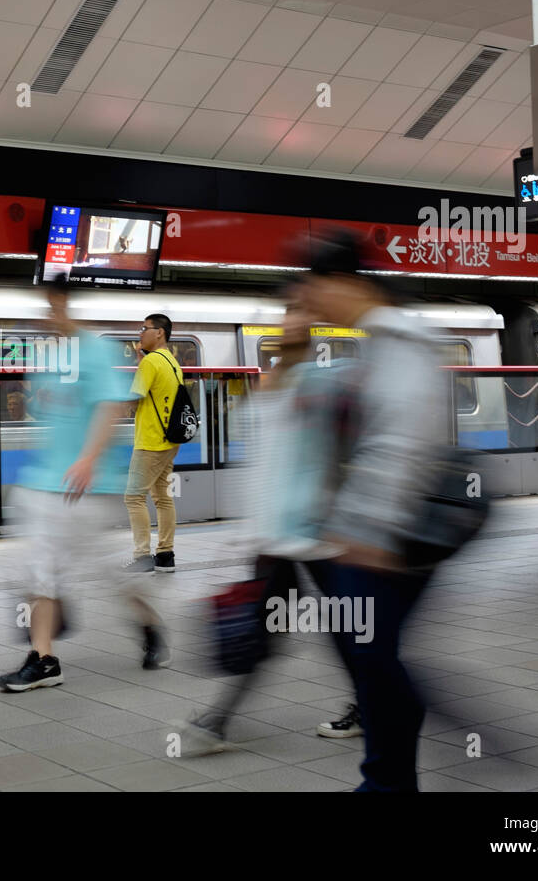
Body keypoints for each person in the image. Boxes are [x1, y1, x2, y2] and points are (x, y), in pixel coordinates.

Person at [300, 233, 446, 792]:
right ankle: (390, 772)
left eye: (316, 290)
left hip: (387, 535)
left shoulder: (398, 344)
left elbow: (400, 443)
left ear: (345, 283)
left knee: (369, 651)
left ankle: (387, 778)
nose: (315, 304)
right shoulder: (381, 341)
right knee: (366, 648)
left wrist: (371, 530)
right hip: (374, 531)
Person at [186, 291, 361, 750]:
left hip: (318, 531)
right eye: (289, 312)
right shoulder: (267, 383)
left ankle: (216, 721)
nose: (294, 320)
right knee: (272, 625)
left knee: (343, 624)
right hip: (276, 535)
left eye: (304, 311)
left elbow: (344, 436)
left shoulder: (324, 382)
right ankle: (217, 721)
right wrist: (247, 529)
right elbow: (262, 462)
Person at [0, 275, 150, 691]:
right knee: (39, 569)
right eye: (41, 308)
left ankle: (148, 622)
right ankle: (45, 659)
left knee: (104, 573)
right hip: (46, 483)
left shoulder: (94, 350)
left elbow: (110, 407)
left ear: (64, 305)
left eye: (50, 306)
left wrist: (88, 458)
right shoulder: (49, 358)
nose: (44, 316)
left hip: (88, 486)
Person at [124, 313, 181, 575]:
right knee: (162, 499)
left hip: (149, 442)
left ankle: (142, 556)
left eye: (144, 328)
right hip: (170, 440)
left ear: (159, 332)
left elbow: (133, 400)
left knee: (134, 497)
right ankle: (165, 555)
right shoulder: (172, 362)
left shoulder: (150, 364)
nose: (140, 333)